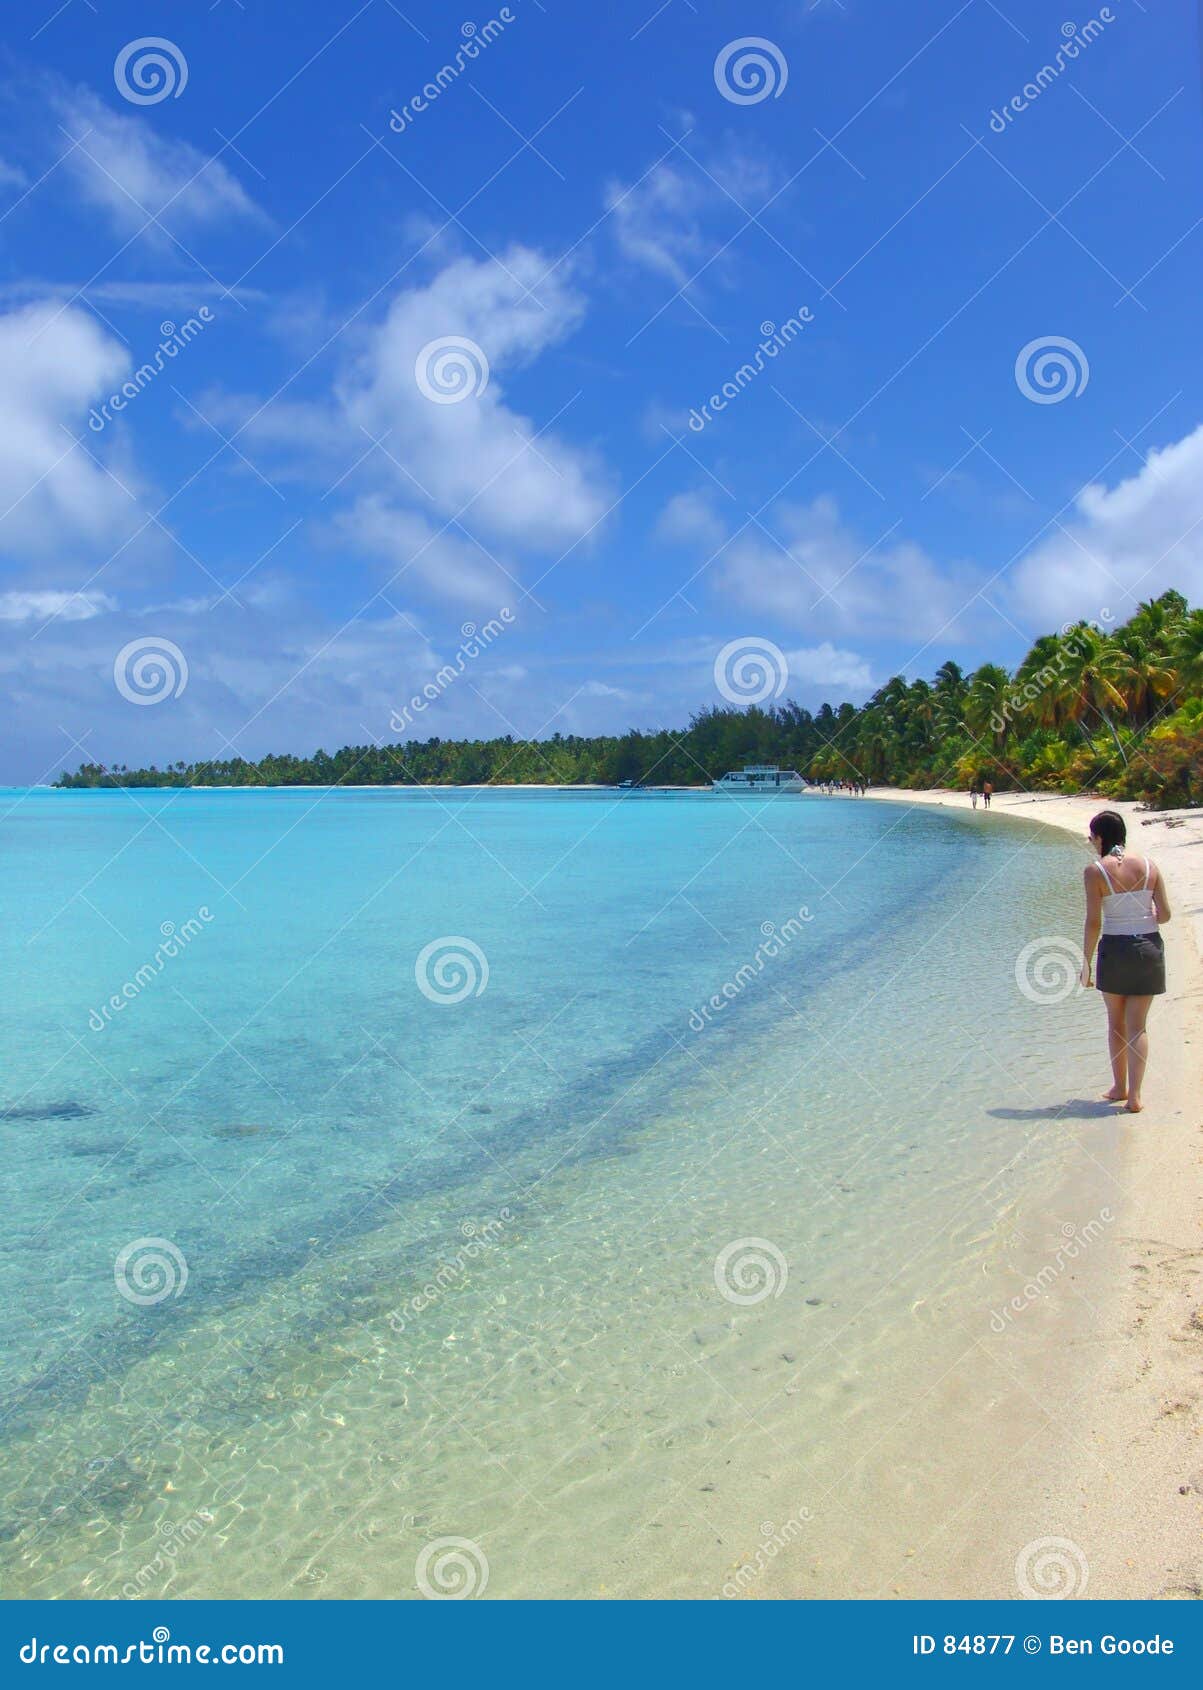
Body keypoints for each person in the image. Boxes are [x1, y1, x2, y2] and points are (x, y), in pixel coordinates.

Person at [1080, 809, 1171, 1114]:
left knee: (1115, 1024)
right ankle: (1135, 1098)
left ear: (1101, 837)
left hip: (1115, 949)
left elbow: (1093, 922)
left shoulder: (1095, 871)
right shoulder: (1149, 865)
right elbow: (1166, 914)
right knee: (1138, 1027)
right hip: (1148, 948)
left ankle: (1119, 1087)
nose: (1092, 842)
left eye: (1092, 837)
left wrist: (1086, 963)